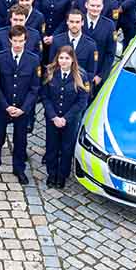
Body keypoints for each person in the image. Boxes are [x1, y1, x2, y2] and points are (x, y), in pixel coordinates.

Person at [0, 26, 41, 185]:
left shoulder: (33, 59)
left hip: (22, 108)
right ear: (10, 40)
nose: (18, 44)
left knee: (21, 140)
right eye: (15, 40)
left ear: (26, 40)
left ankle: (19, 169)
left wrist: (23, 108)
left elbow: (34, 88)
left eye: (21, 41)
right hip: (3, 106)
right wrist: (5, 106)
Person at [39, 46, 91, 188]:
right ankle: (52, 174)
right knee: (52, 146)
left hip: (71, 120)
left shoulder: (81, 75)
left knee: (67, 148)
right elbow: (45, 96)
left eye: (67, 58)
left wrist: (65, 118)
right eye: (61, 58)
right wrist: (54, 117)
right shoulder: (50, 72)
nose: (63, 61)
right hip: (52, 118)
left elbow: (82, 101)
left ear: (73, 59)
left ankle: (62, 175)